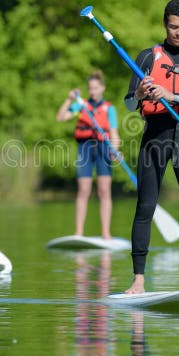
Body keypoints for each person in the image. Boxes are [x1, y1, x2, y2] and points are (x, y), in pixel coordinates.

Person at [122, 0, 179, 294]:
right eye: (174, 27)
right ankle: (138, 280)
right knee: (145, 207)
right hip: (155, 137)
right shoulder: (148, 56)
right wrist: (138, 93)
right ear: (165, 24)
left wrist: (171, 94)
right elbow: (127, 103)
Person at [56, 70, 120, 239]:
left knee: (104, 191)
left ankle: (106, 233)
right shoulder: (81, 104)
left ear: (102, 88)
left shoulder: (109, 108)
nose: (93, 91)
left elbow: (114, 133)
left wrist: (115, 149)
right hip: (85, 148)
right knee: (83, 190)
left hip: (103, 148)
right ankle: (79, 232)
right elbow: (60, 118)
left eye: (96, 88)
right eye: (90, 88)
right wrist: (69, 99)